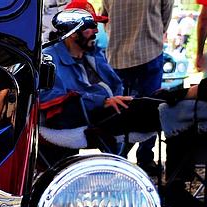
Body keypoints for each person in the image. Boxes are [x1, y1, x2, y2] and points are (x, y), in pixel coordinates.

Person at [41, 0, 160, 151]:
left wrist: (114, 100)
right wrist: (101, 101)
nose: (96, 31)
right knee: (157, 110)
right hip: (85, 117)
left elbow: (115, 85)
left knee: (161, 106)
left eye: (95, 26)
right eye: (89, 27)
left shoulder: (93, 54)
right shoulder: (49, 58)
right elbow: (49, 99)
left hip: (109, 112)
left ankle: (183, 98)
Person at [101, 0, 172, 174]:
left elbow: (104, 17)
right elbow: (166, 11)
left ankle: (118, 155)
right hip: (149, 49)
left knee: (120, 106)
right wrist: (157, 31)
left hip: (117, 53)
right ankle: (145, 157)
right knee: (152, 105)